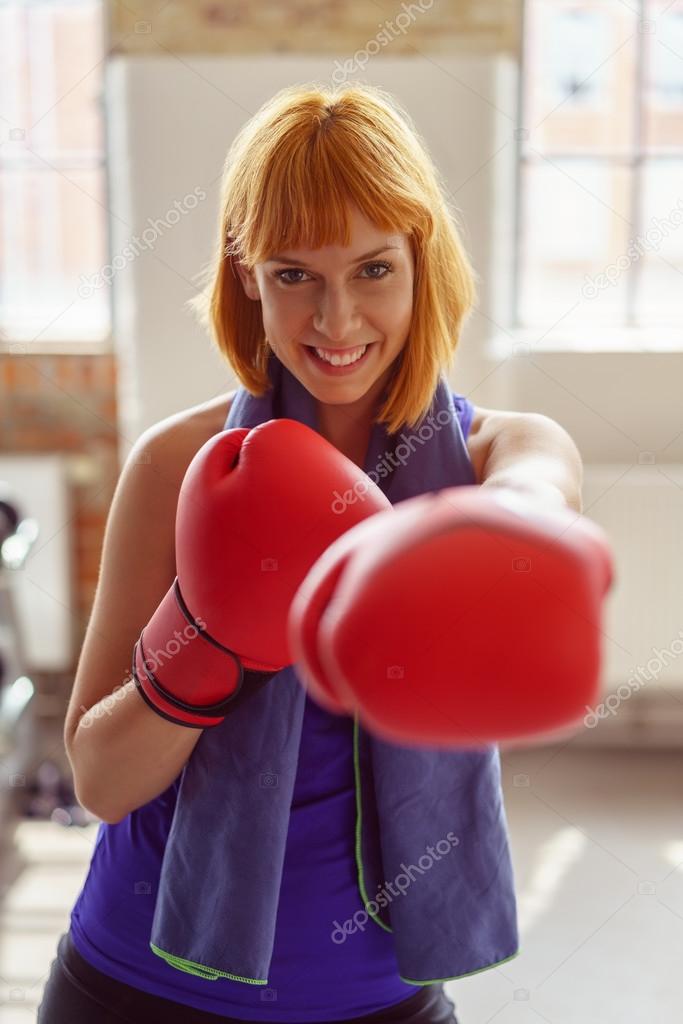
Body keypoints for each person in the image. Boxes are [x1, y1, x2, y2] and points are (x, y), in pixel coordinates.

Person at [38, 82, 582, 1023]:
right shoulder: (178, 464)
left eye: (372, 269)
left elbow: (538, 495)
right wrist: (211, 641)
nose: (335, 322)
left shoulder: (499, 452)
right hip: (136, 986)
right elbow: (98, 780)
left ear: (423, 262)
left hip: (381, 1001)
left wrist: (479, 541)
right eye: (295, 275)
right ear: (247, 274)